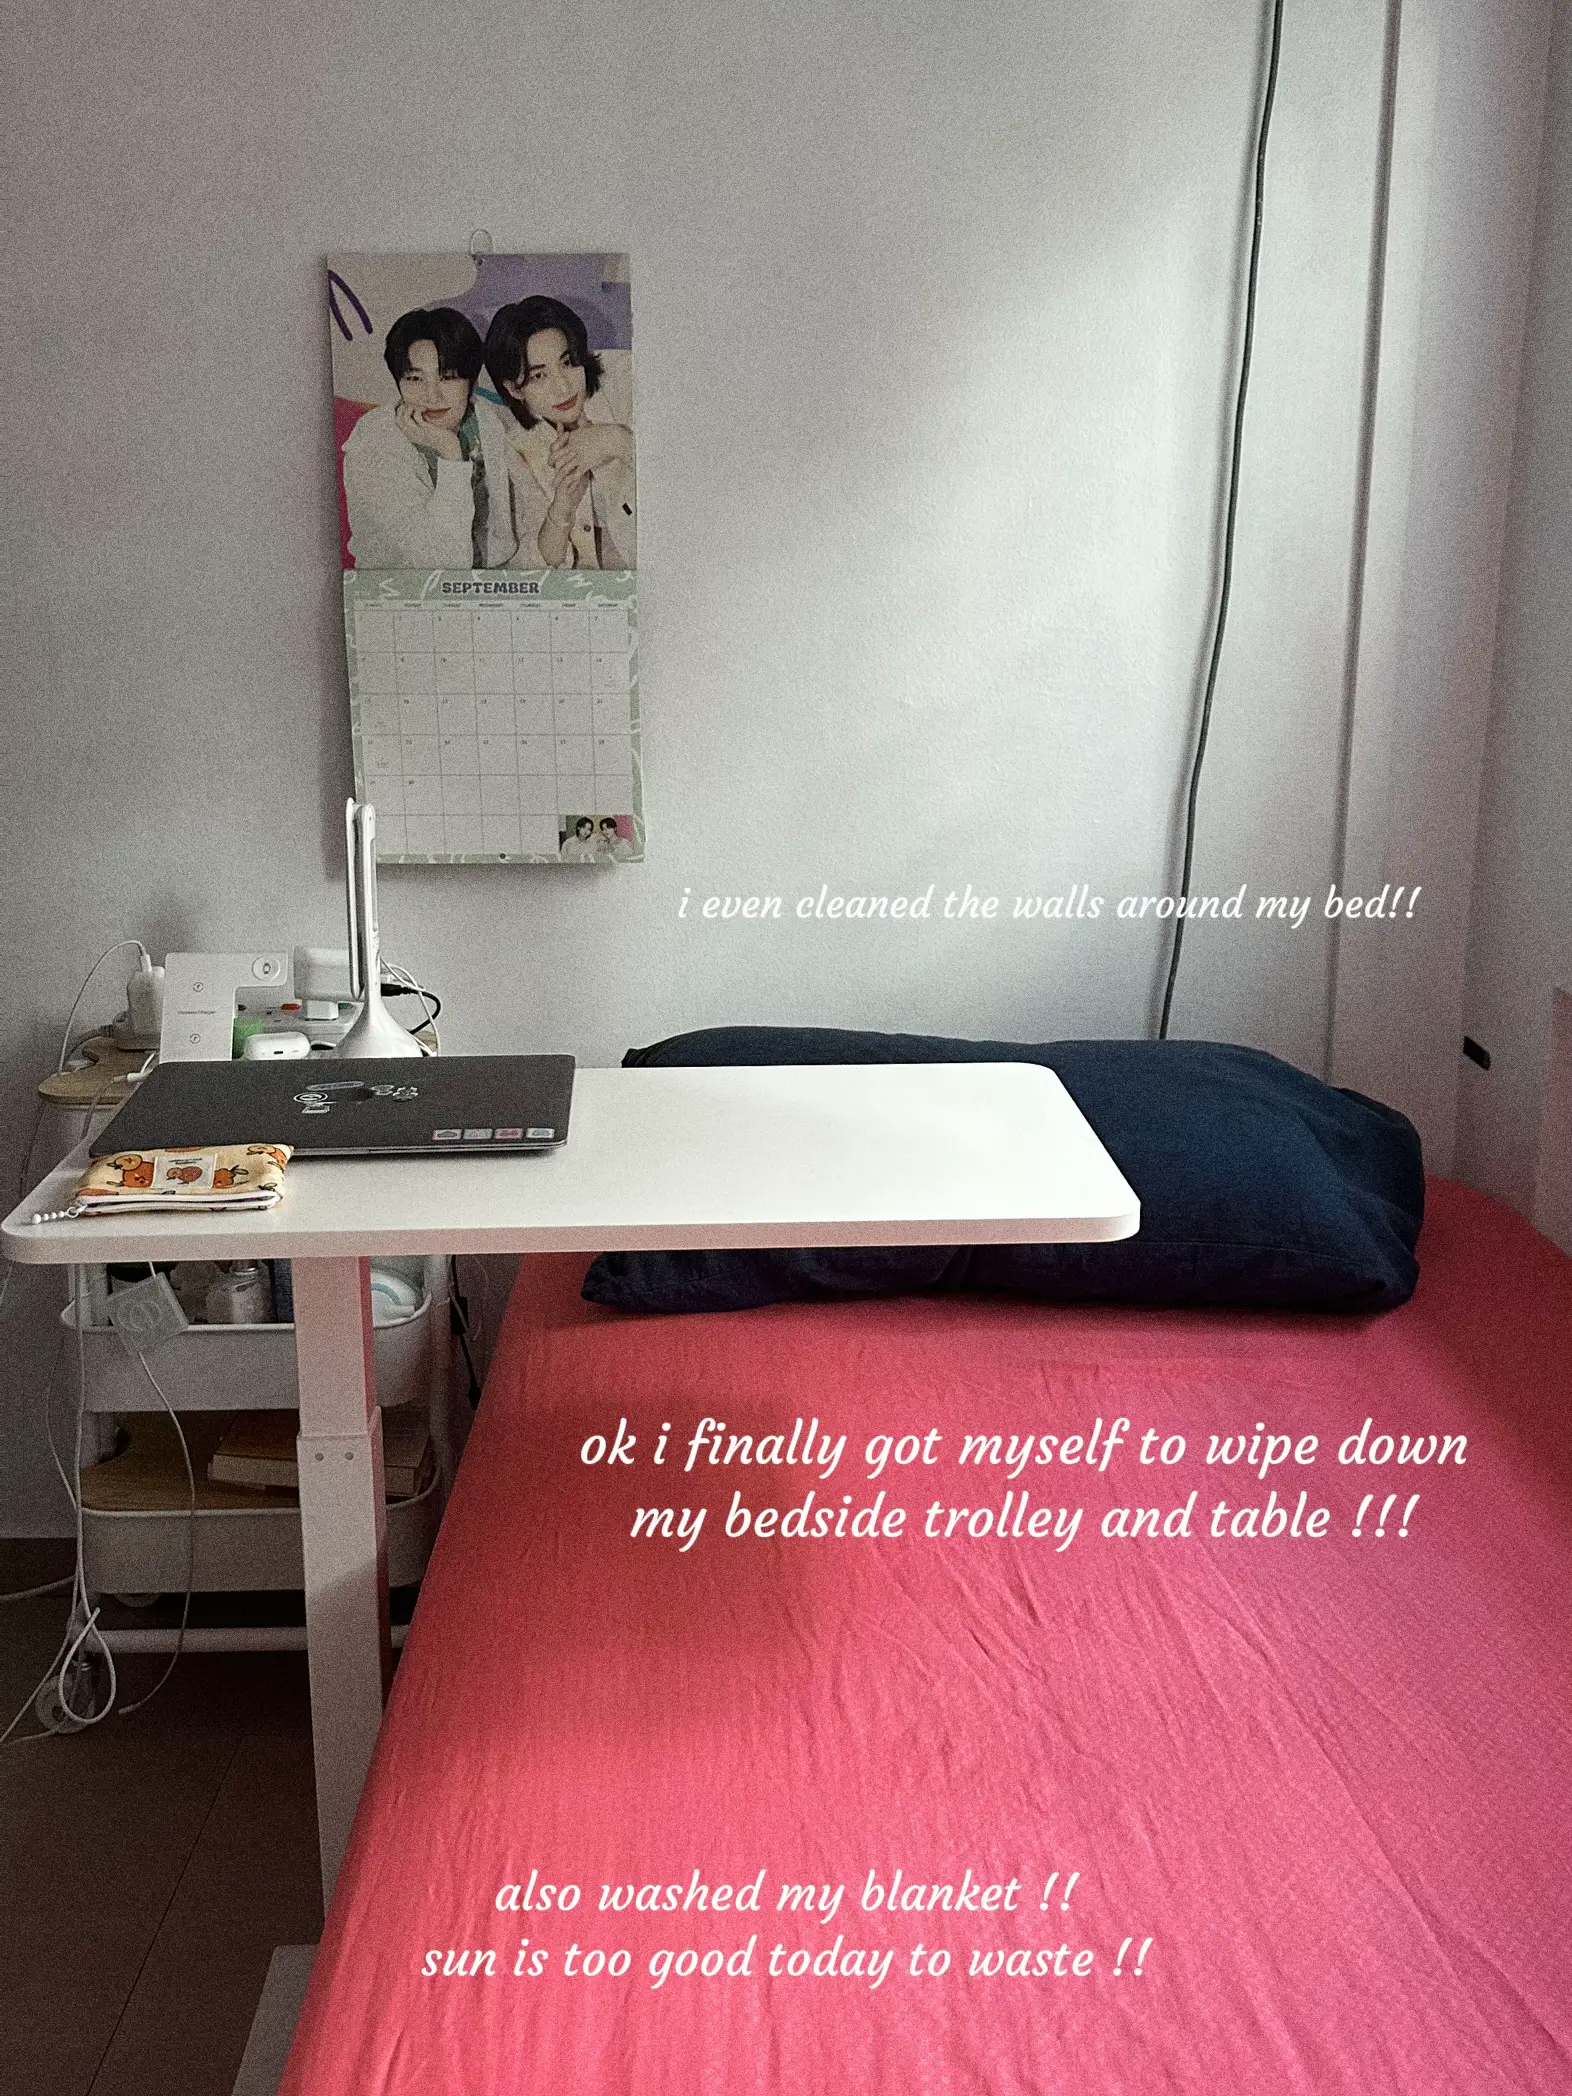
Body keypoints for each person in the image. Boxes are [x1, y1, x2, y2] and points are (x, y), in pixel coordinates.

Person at [342, 307, 518, 569]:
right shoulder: (374, 443)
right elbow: (442, 564)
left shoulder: (494, 421)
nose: (432, 396)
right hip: (401, 587)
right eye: (415, 378)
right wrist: (450, 452)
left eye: (447, 377)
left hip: (494, 583)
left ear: (471, 382)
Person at [483, 296, 636, 570]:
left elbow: (691, 476)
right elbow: (540, 560)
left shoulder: (628, 378)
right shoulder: (519, 445)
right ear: (514, 389)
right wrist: (561, 509)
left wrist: (615, 441)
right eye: (539, 376)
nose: (563, 387)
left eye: (566, 363)